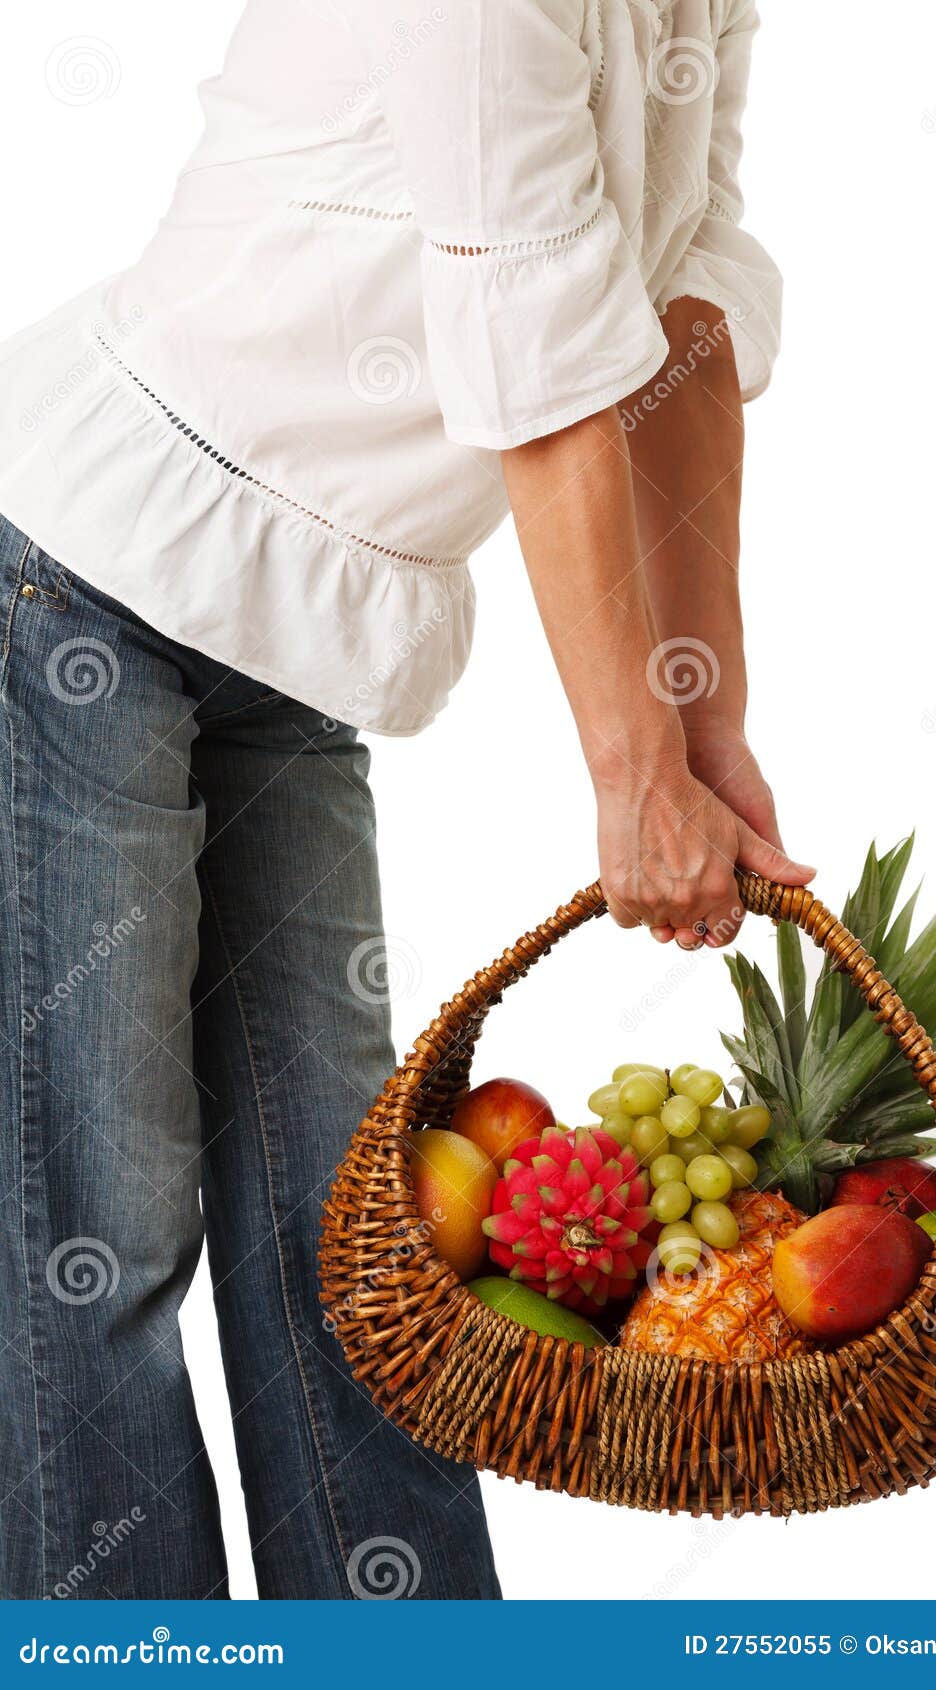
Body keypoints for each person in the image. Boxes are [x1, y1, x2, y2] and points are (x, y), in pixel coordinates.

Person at [0, 0, 812, 1600]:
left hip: (299, 638)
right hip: (80, 589)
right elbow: (535, 343)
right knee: (100, 1230)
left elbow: (684, 321)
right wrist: (629, 777)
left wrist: (702, 725)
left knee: (356, 1233)